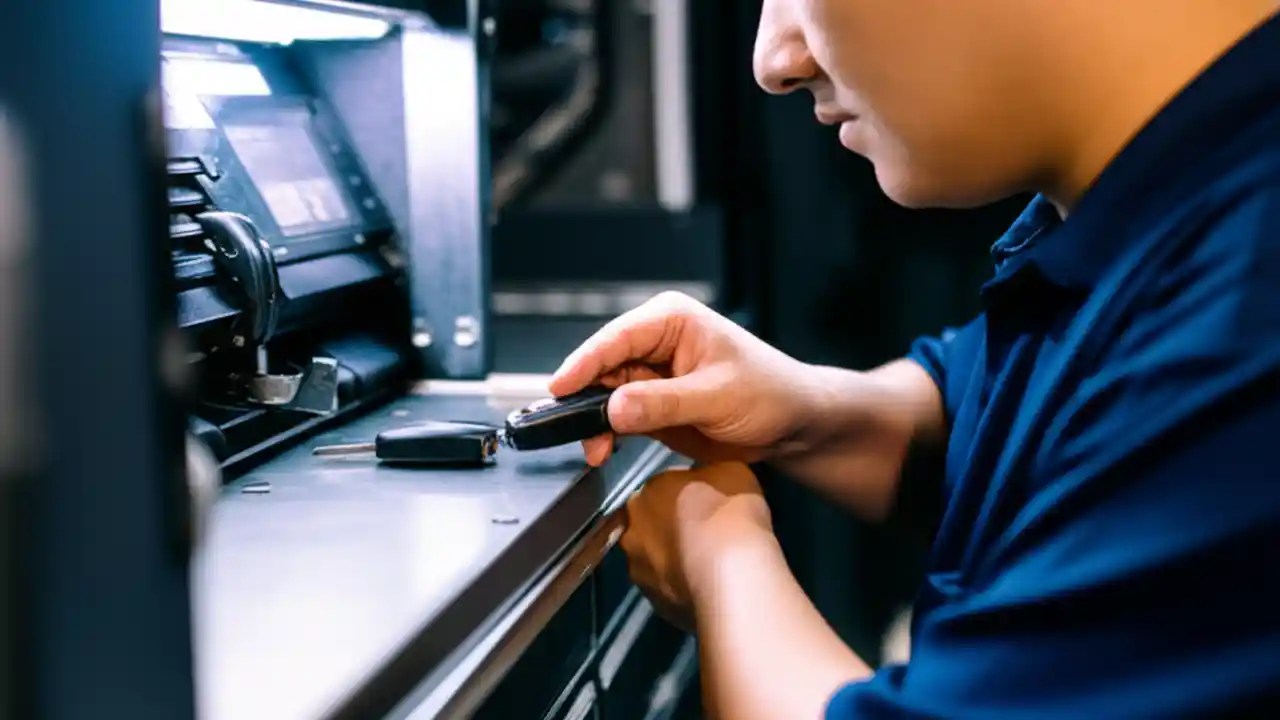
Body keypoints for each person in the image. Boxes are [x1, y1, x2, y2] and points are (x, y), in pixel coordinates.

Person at [549, 1, 1280, 718]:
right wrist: (810, 416)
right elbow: (1012, 409)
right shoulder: (1164, 201)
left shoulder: (1249, 297)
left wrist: (723, 566)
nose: (775, 60)